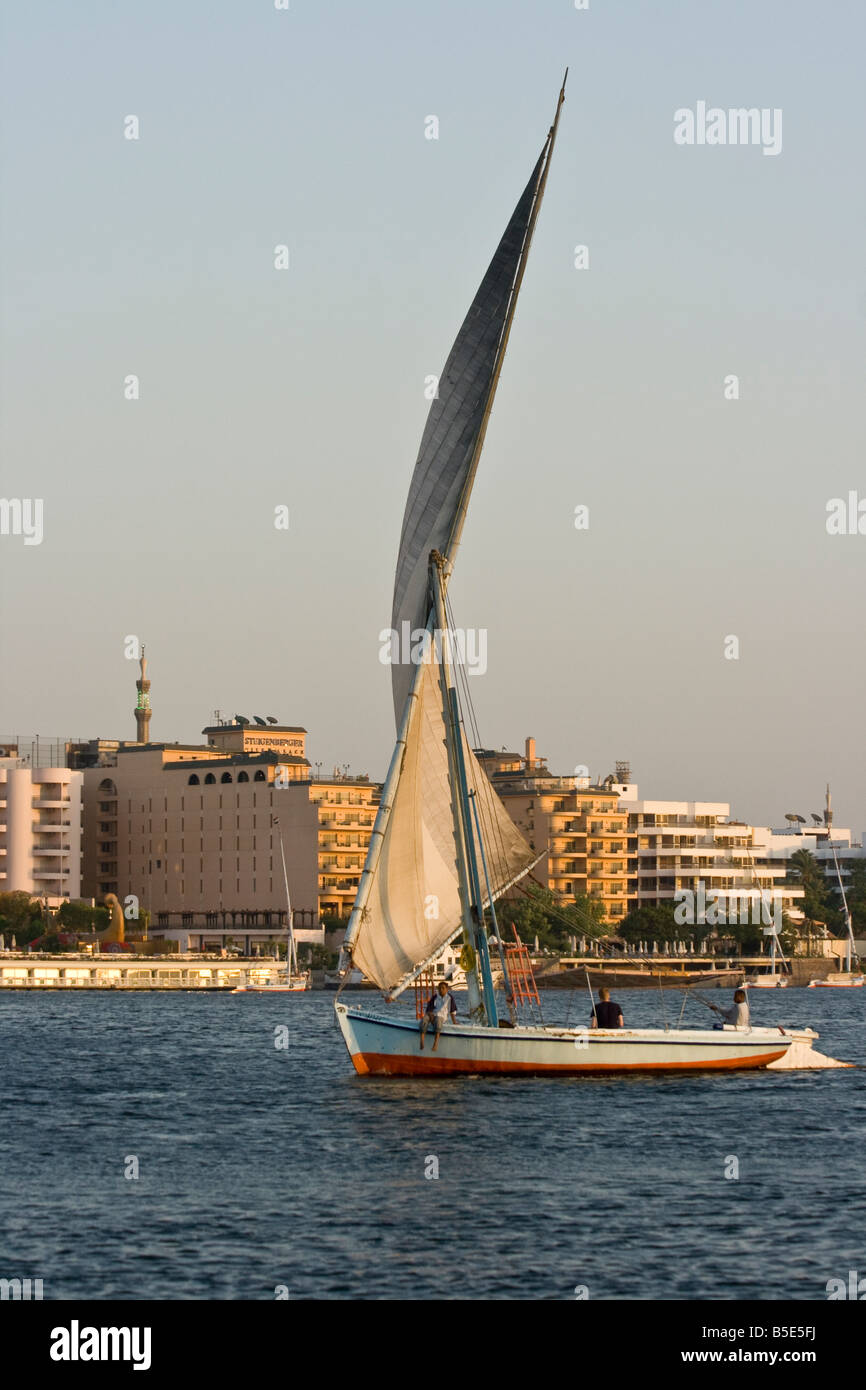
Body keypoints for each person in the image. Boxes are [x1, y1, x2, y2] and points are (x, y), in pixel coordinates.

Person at [420, 979, 458, 1052]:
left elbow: (452, 1011)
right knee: (424, 1019)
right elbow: (429, 1008)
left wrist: (454, 1022)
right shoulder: (435, 997)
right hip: (433, 1014)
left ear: (447, 989)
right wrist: (430, 1014)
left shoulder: (449, 998)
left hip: (442, 1016)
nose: (441, 990)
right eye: (439, 988)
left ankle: (435, 1043)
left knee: (438, 1021)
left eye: (443, 988)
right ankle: (422, 1040)